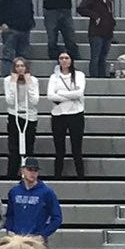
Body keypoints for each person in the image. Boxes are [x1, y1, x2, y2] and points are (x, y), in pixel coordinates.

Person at [2, 56, 44, 180]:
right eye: (17, 66)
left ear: (26, 67)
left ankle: (29, 175)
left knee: (29, 147)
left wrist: (29, 83)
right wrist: (13, 83)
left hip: (30, 116)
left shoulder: (33, 80)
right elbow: (9, 101)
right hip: (14, 114)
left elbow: (34, 100)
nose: (20, 69)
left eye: (22, 66)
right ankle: (11, 175)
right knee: (13, 147)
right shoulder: (8, 80)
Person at [47, 50, 88, 179]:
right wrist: (70, 96)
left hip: (76, 114)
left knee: (77, 148)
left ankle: (81, 176)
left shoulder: (79, 75)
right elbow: (50, 95)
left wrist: (60, 94)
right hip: (58, 115)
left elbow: (79, 93)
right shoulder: (54, 77)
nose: (64, 60)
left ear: (71, 60)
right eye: (61, 58)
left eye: (66, 57)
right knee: (59, 149)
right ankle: (57, 176)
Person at [5, 158, 62, 247]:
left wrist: (43, 235)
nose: (33, 173)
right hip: (17, 239)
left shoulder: (47, 192)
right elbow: (10, 214)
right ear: (22, 171)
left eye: (35, 170)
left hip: (36, 240)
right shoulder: (14, 191)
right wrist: (9, 230)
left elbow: (57, 218)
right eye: (29, 170)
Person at [77, 0, 117, 80]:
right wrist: (94, 16)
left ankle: (102, 75)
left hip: (107, 30)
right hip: (96, 31)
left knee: (103, 56)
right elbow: (81, 8)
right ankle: (94, 76)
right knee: (95, 55)